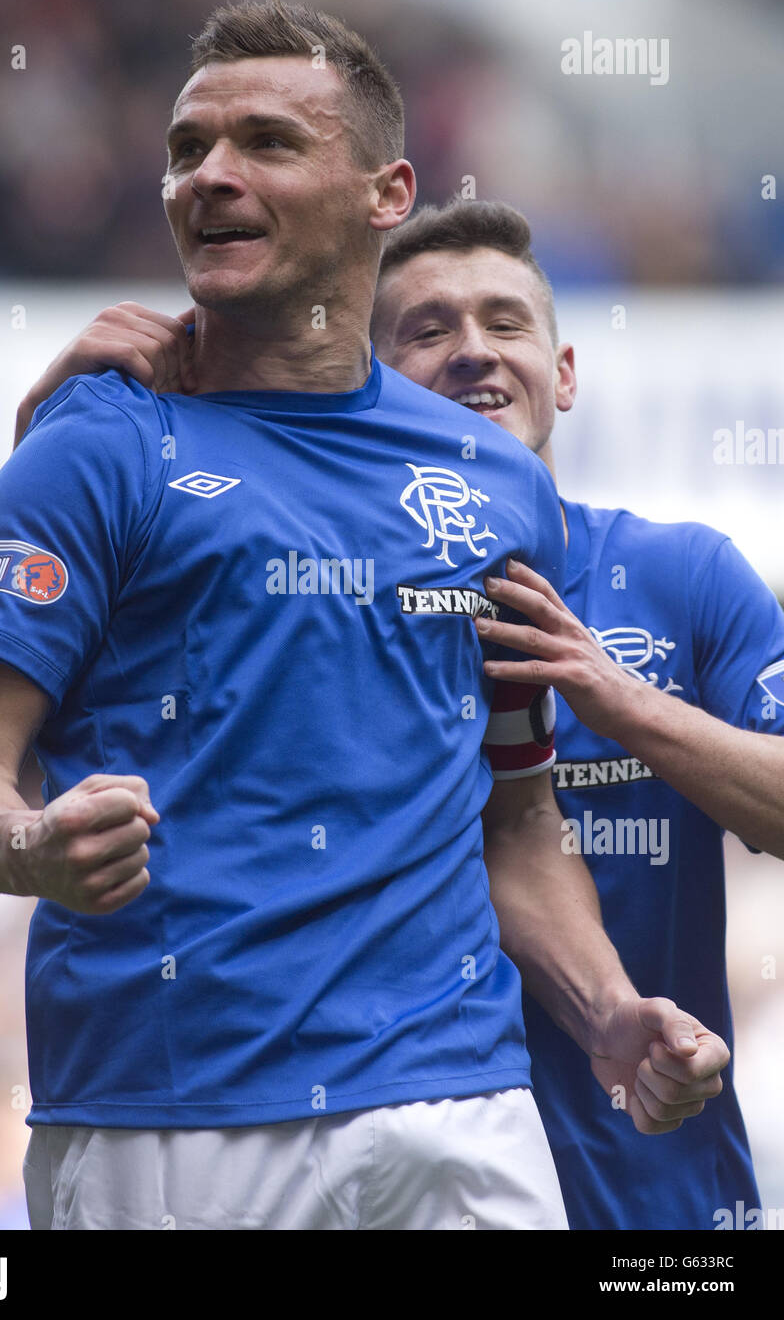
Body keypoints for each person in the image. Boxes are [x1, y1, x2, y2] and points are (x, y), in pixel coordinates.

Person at [0, 0, 727, 1232]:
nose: (211, 178)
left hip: (456, 1103)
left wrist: (607, 1006)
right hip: (169, 1115)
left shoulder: (499, 483)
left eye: (267, 144)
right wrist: (30, 845)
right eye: (189, 150)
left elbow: (511, 812)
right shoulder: (93, 443)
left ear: (385, 191)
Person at [368, 197, 784, 1229]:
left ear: (560, 374)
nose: (471, 353)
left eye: (504, 323)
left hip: (659, 1169)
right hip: (407, 1171)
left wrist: (620, 700)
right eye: (427, 331)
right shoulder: (335, 603)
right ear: (364, 389)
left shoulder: (684, 575)